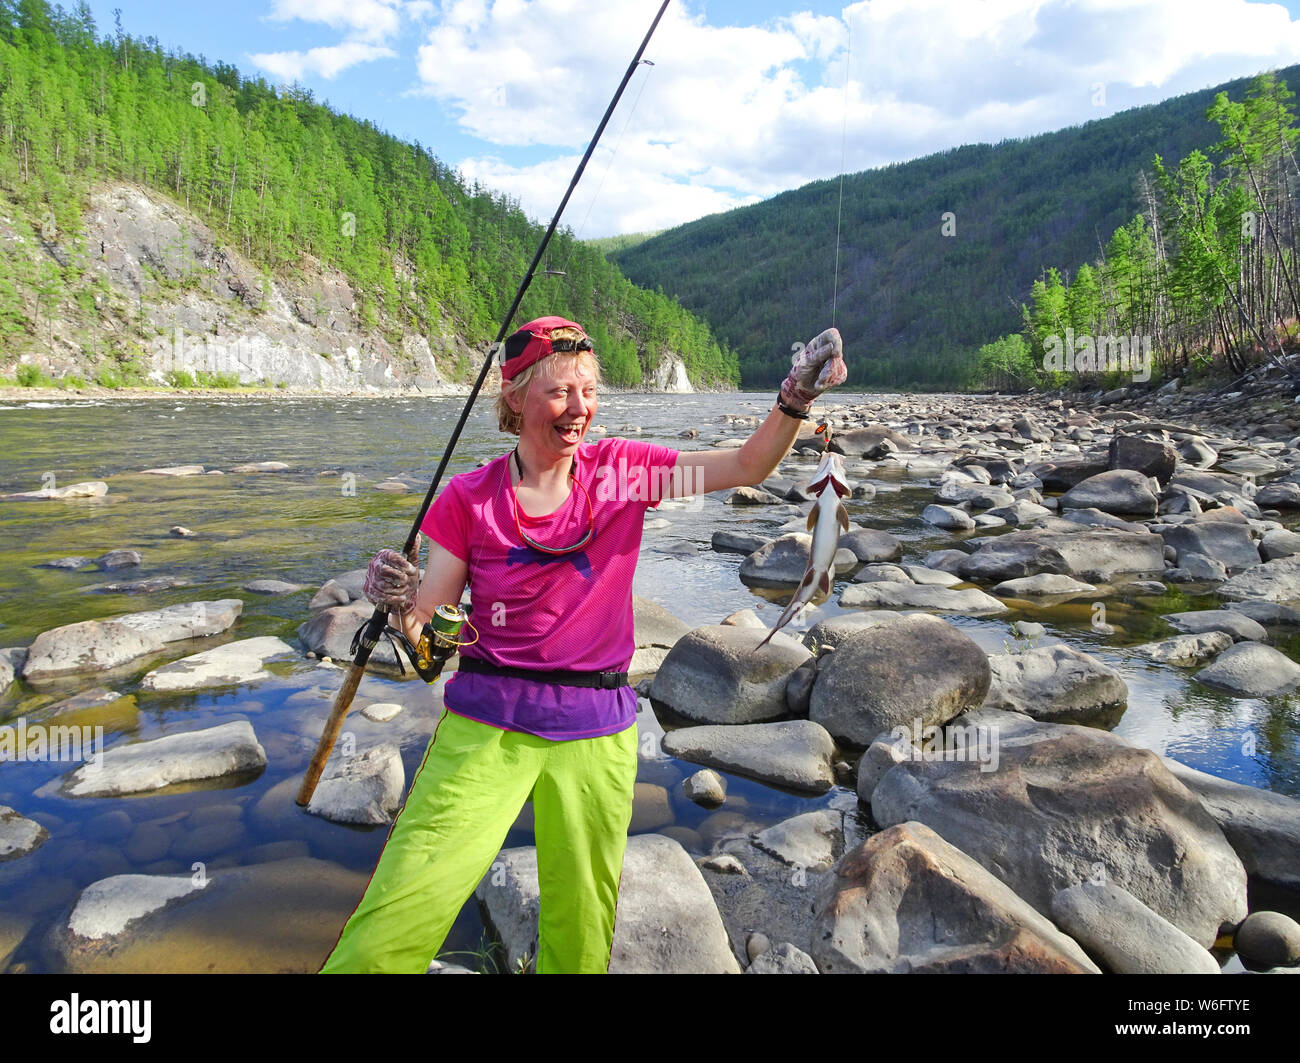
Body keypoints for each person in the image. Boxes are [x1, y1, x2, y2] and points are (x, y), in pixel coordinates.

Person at [319, 315, 846, 974]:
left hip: (595, 733)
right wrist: (403, 607)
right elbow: (434, 642)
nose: (579, 409)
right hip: (486, 727)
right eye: (560, 391)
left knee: (580, 940)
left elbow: (746, 463)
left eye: (588, 390)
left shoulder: (623, 472)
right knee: (394, 919)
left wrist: (795, 397)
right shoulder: (469, 499)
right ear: (514, 396)